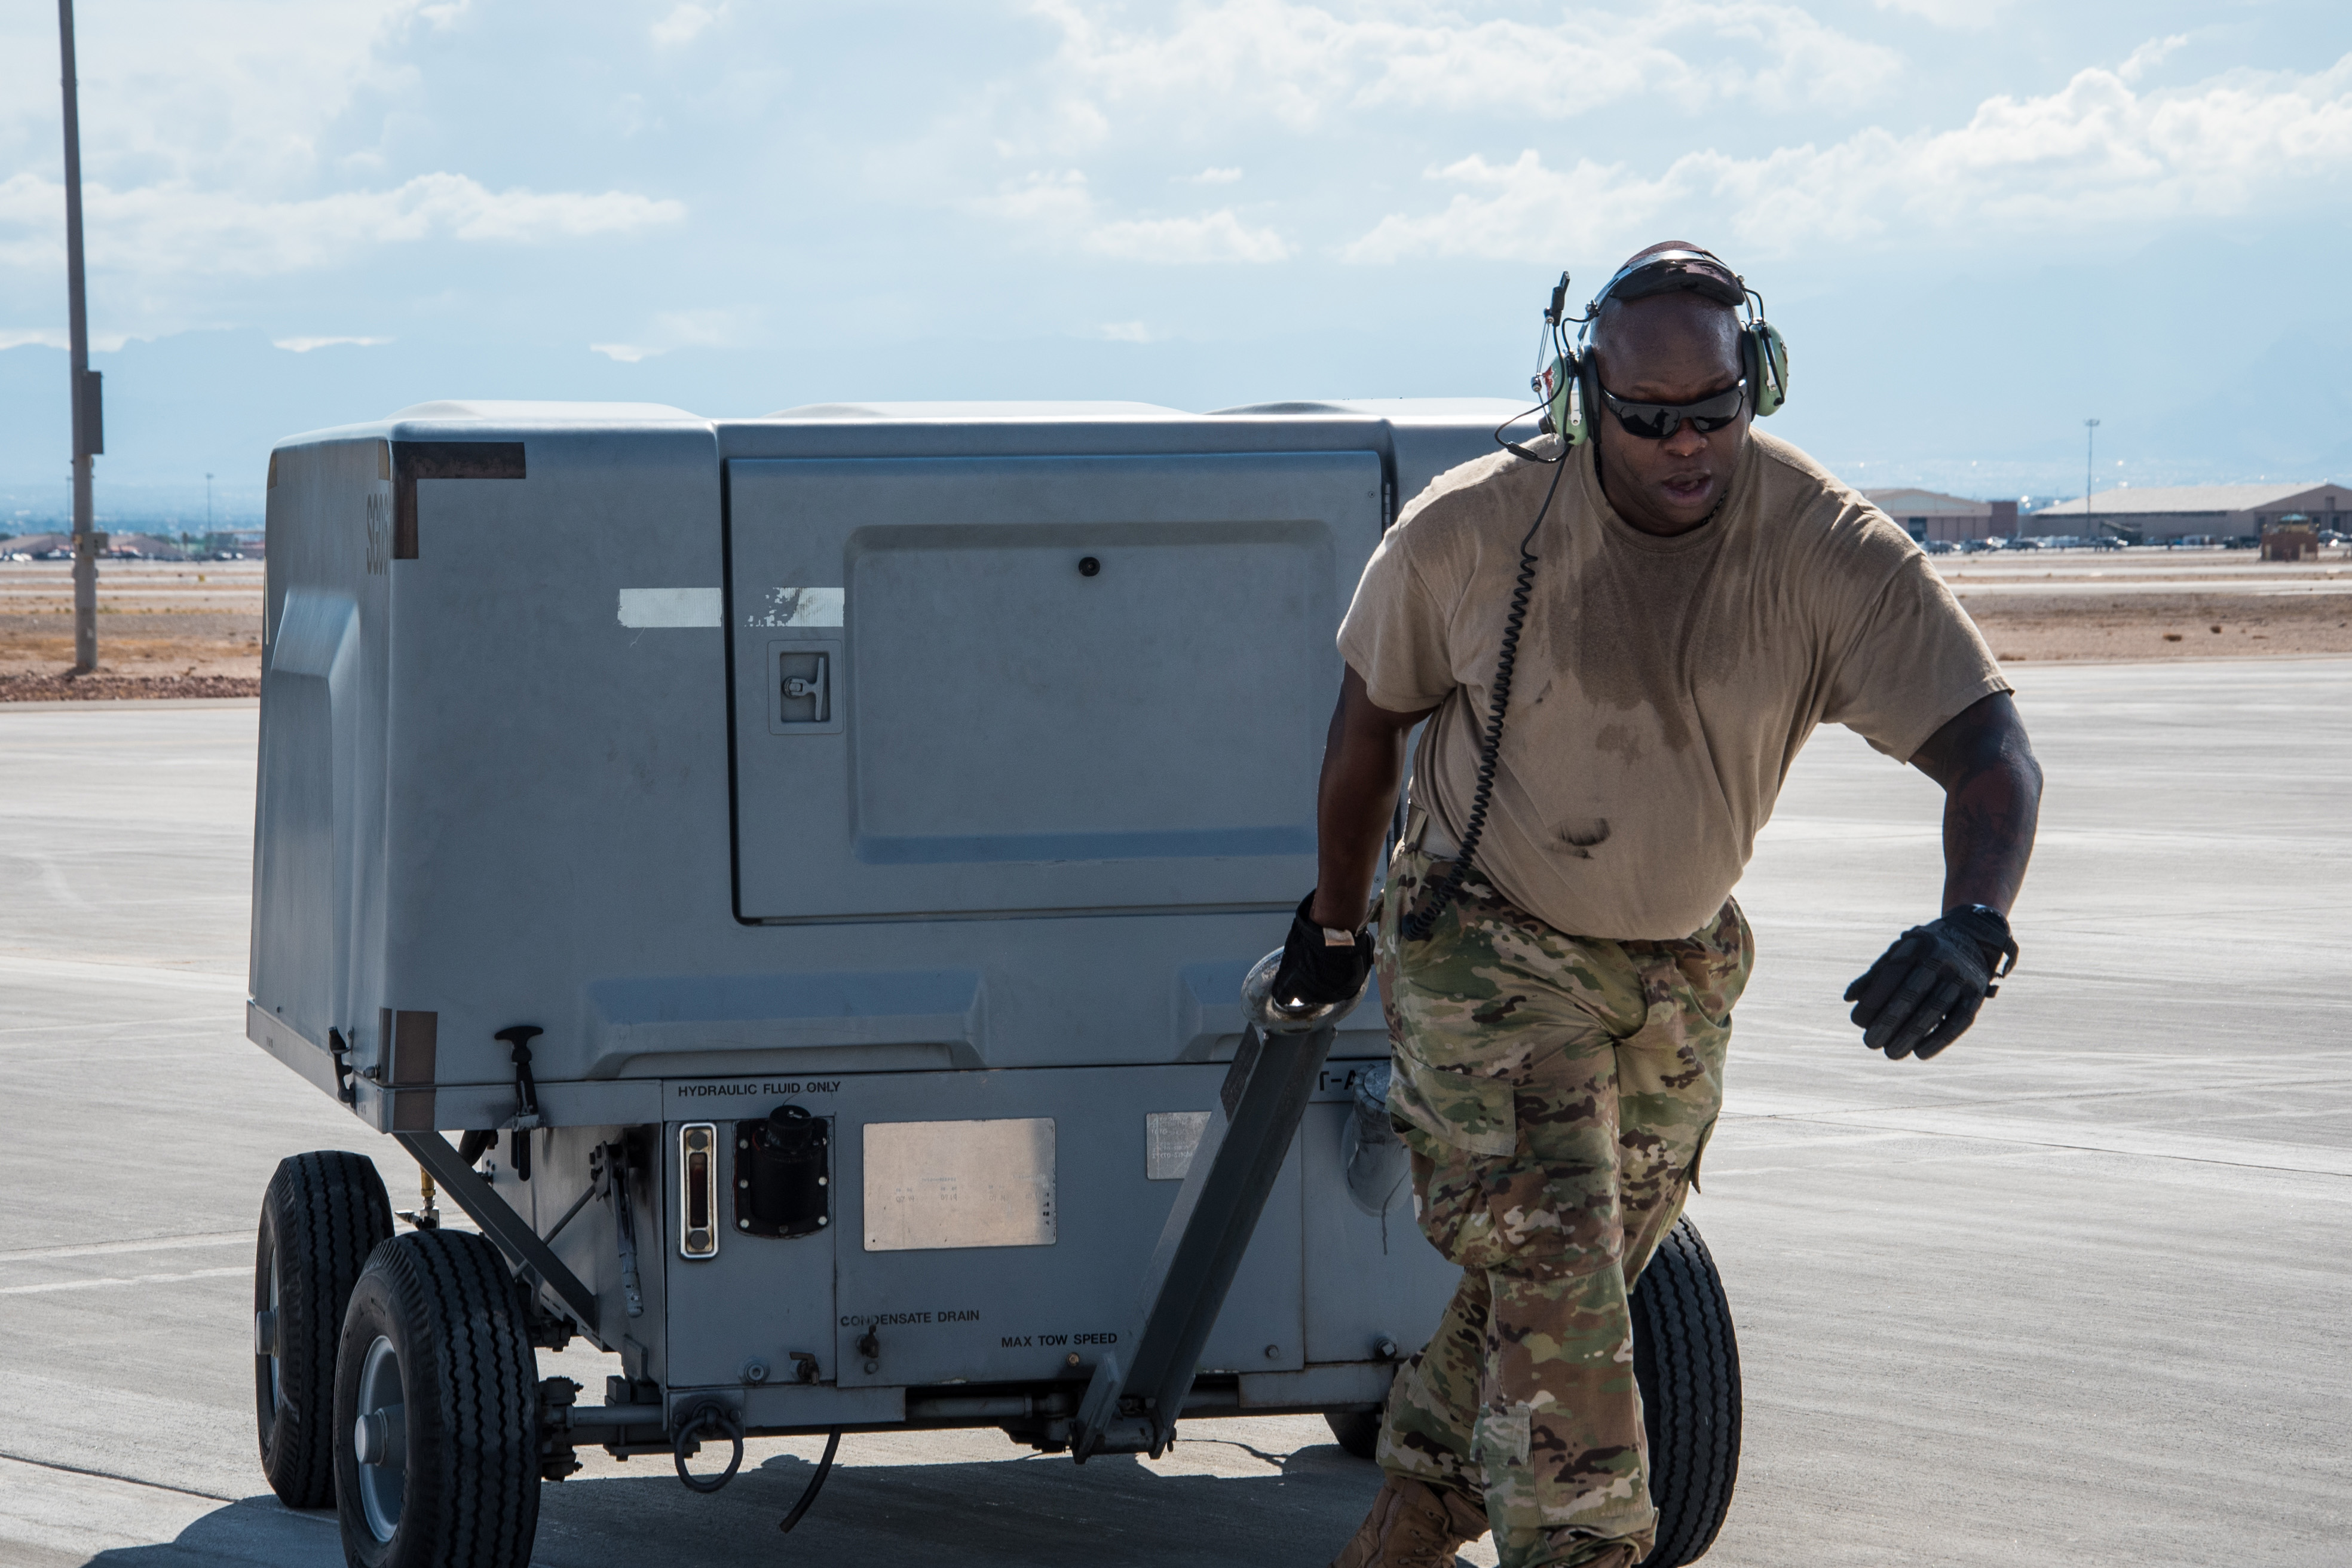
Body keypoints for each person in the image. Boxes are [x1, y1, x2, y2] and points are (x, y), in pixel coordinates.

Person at [1273, 243, 2044, 1568]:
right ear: (1587, 396)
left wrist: (1973, 921)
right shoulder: (1470, 533)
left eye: (1719, 411)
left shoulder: (1824, 544)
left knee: (1578, 1266)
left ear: (1764, 385)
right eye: (1651, 418)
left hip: (1676, 963)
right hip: (1486, 939)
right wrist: (1338, 930)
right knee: (1564, 1264)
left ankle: (1406, 1524)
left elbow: (1991, 747)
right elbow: (1367, 731)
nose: (1689, 445)